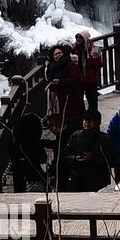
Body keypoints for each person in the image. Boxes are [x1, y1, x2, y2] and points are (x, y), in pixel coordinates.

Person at [45, 43, 85, 189]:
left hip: (73, 109)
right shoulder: (53, 68)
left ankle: (70, 172)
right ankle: (62, 175)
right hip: (62, 110)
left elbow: (77, 80)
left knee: (70, 140)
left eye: (59, 53)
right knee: (62, 141)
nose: (58, 56)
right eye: (55, 54)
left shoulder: (69, 65)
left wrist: (61, 82)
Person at [63, 113, 114, 191]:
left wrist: (92, 159)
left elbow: (110, 161)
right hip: (77, 181)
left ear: (98, 122)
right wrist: (75, 158)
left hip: (98, 181)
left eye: (90, 120)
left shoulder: (105, 139)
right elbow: (66, 155)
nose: (87, 122)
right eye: (85, 120)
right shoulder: (75, 136)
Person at [74, 29, 104, 118]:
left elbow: (100, 64)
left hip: (91, 80)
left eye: (80, 37)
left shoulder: (94, 48)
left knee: (92, 101)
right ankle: (83, 118)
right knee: (78, 101)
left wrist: (94, 58)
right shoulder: (74, 48)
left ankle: (94, 118)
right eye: (77, 37)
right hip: (79, 79)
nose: (78, 39)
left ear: (86, 38)